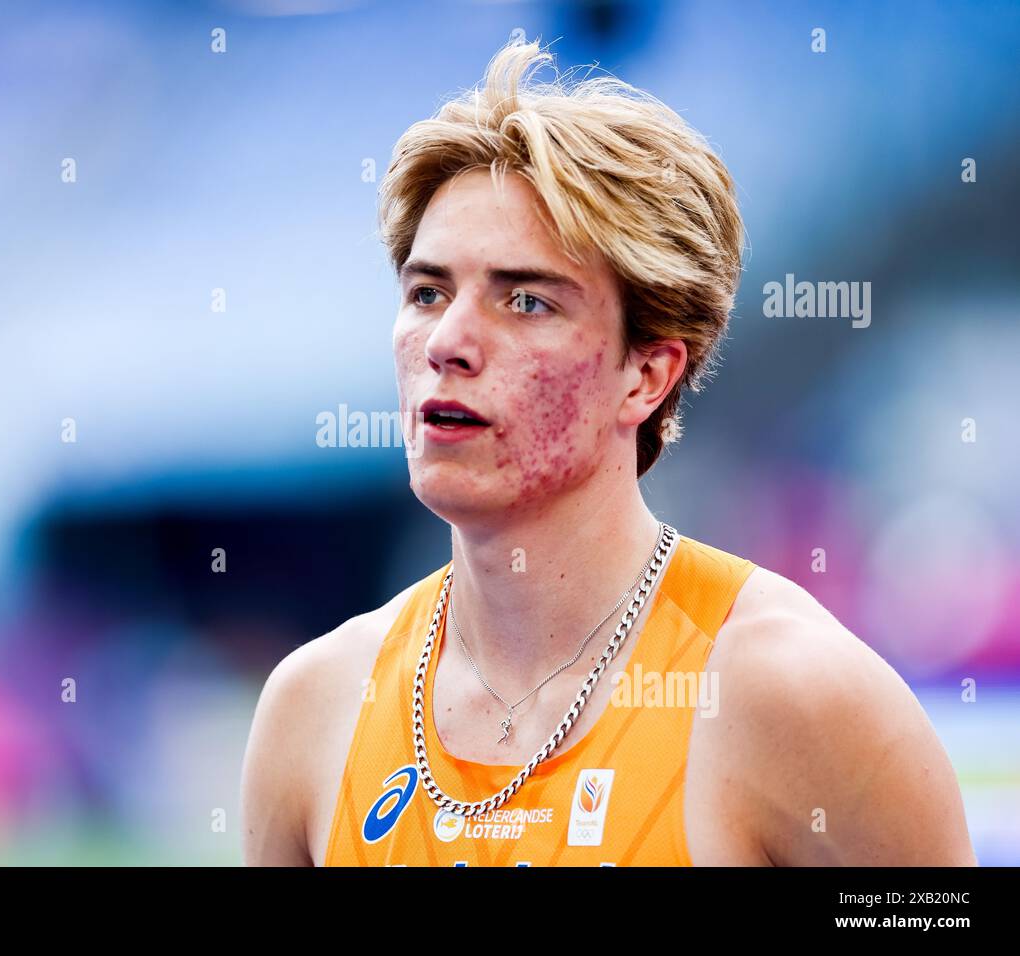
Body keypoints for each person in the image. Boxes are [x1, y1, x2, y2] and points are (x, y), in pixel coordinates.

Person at [240, 39, 976, 866]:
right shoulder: (314, 708)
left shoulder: (789, 696)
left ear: (646, 375)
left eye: (524, 300)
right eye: (427, 292)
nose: (447, 341)